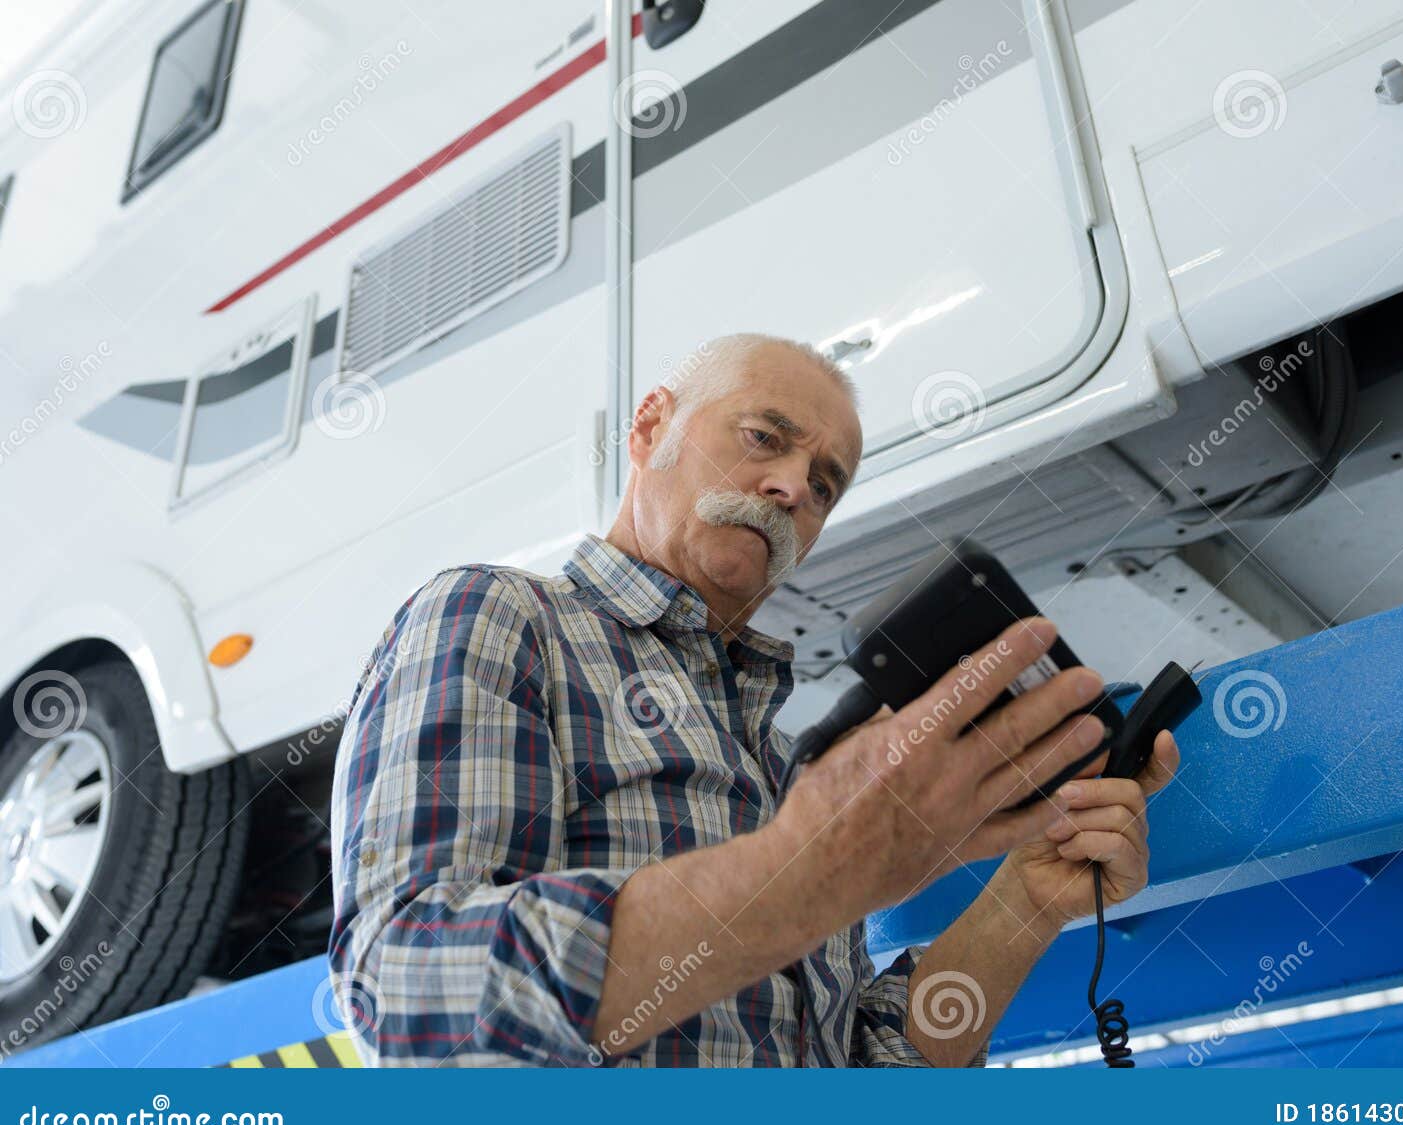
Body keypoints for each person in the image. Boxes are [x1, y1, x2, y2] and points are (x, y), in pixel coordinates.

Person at [328, 333, 1180, 1066]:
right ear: (650, 425)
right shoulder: (500, 615)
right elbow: (408, 998)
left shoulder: (785, 771)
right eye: (763, 437)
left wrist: (1027, 897)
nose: (791, 487)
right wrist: (809, 872)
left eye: (825, 484)